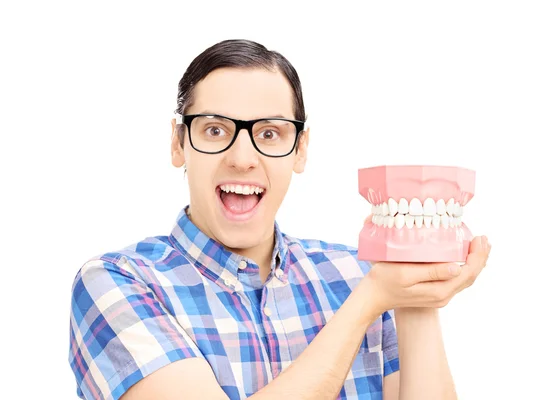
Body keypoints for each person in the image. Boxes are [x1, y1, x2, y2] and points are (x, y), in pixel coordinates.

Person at [68, 39, 491, 400]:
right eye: (215, 130)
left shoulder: (357, 272)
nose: (243, 158)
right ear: (179, 144)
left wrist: (417, 295)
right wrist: (371, 300)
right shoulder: (115, 283)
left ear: (300, 149)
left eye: (269, 133)